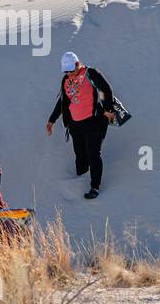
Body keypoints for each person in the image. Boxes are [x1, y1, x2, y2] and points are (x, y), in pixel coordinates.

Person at [45, 51, 115, 199]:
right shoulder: (66, 80)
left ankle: (94, 187)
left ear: (77, 64)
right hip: (75, 126)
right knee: (80, 155)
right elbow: (63, 101)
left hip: (93, 122)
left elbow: (106, 90)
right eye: (66, 71)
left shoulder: (91, 74)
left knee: (93, 154)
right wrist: (52, 120)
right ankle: (78, 183)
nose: (69, 73)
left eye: (71, 70)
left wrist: (108, 110)